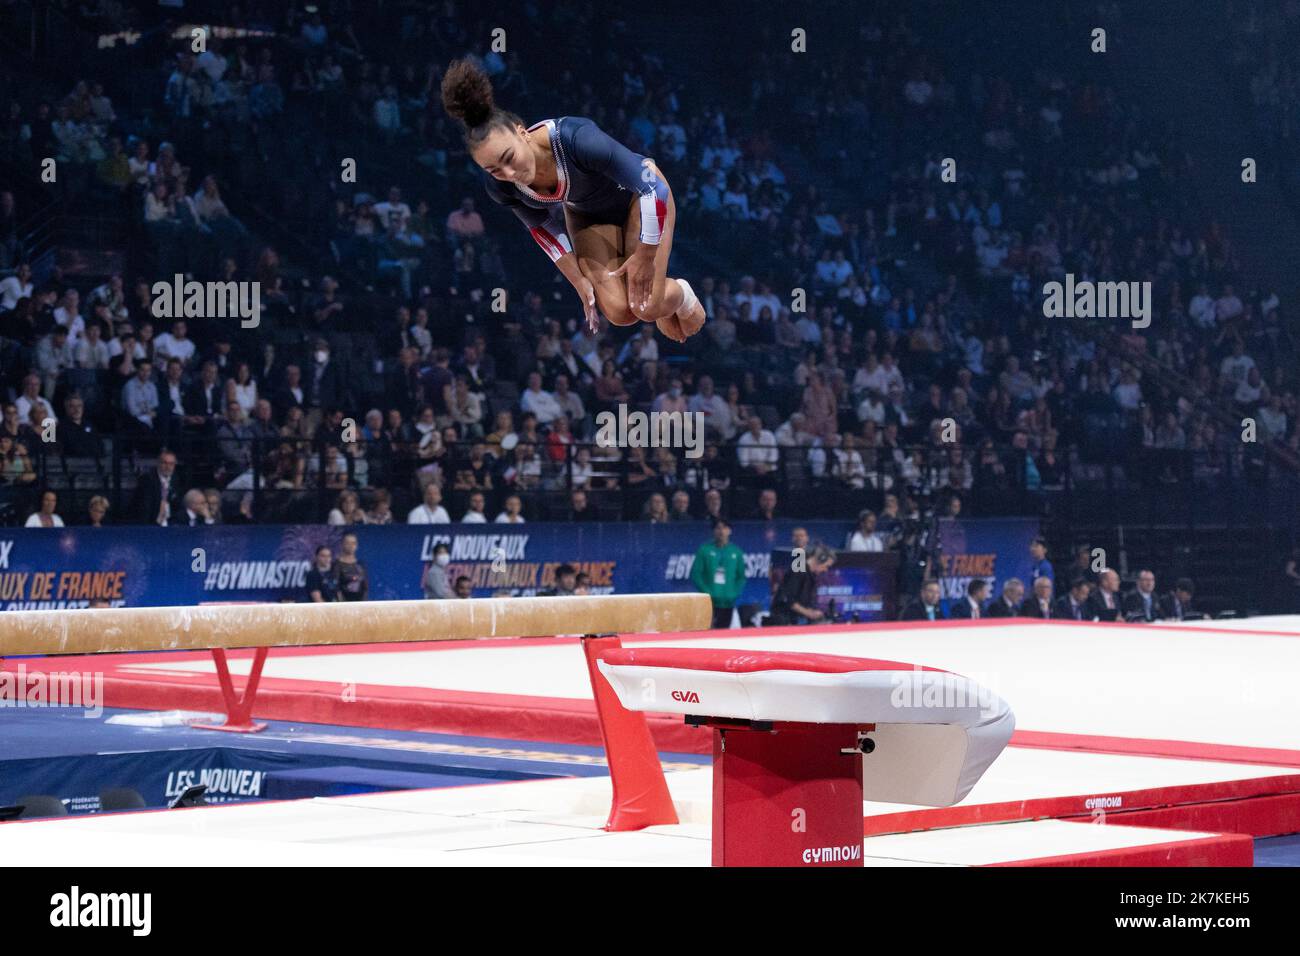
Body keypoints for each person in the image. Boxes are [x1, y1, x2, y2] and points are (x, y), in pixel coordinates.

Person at [441, 59, 705, 343]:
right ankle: (661, 297)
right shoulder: (502, 187)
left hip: (640, 199)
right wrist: (579, 281)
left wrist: (646, 255)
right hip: (586, 217)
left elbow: (653, 188)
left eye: (508, 158)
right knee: (619, 312)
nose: (509, 173)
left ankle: (682, 295)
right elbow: (544, 229)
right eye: (494, 170)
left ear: (521, 132)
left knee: (646, 306)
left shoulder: (575, 139)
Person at [690, 517, 747, 629]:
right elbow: (696, 574)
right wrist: (707, 593)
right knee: (708, 633)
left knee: (723, 634)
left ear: (730, 531)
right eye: (718, 528)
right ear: (713, 531)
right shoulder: (704, 550)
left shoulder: (736, 552)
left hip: (728, 602)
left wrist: (734, 593)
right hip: (710, 603)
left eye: (724, 528)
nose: (721, 531)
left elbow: (741, 577)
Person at [768, 546, 835, 625]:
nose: (825, 570)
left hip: (795, 620)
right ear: (820, 560)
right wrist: (808, 613)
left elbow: (803, 600)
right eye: (827, 566)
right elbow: (787, 599)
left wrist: (811, 611)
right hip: (783, 621)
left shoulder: (811, 575)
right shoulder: (798, 569)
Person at [334, 532, 368, 601]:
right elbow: (336, 587)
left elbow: (365, 586)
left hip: (360, 603)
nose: (351, 546)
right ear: (342, 544)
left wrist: (364, 603)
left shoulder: (361, 564)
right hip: (343, 603)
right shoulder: (337, 565)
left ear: (357, 545)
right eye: (348, 543)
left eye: (353, 543)